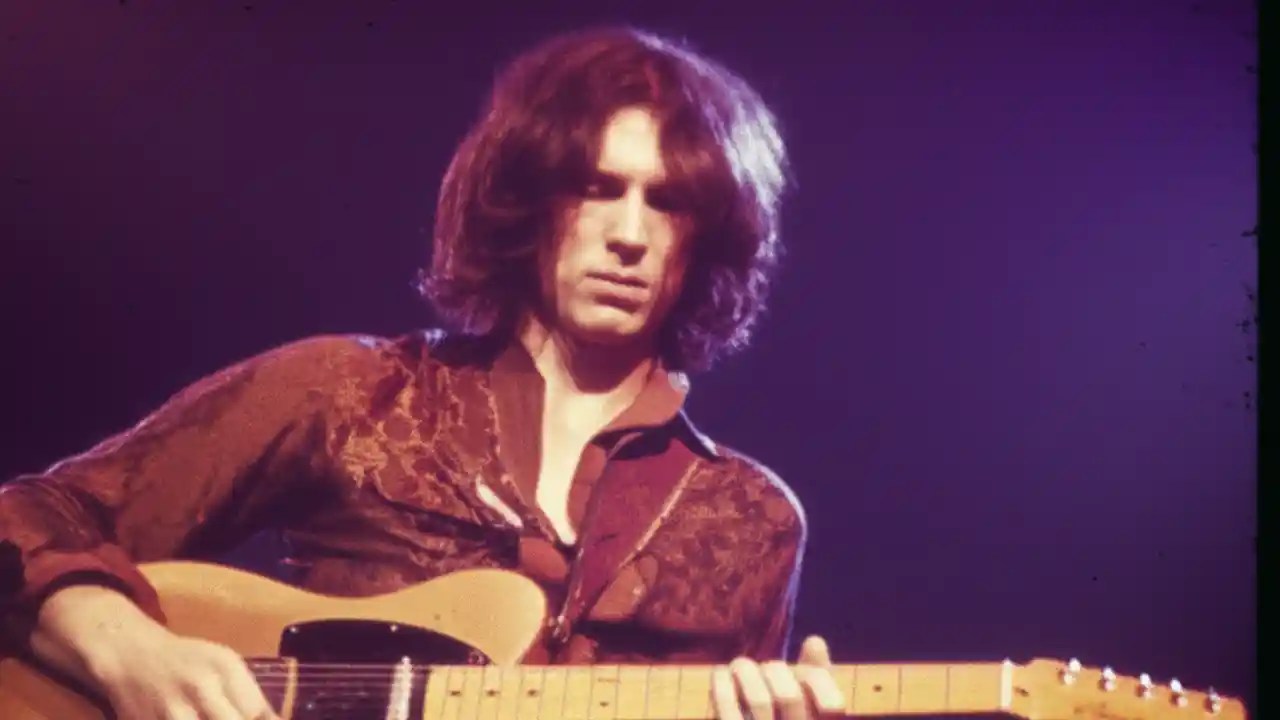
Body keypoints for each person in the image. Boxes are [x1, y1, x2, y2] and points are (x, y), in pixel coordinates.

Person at [0, 26, 845, 720]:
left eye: (667, 202)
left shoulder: (751, 520)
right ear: (529, 200)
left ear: (706, 240)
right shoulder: (352, 392)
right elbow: (26, 516)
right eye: (596, 187)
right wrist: (124, 648)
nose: (629, 234)